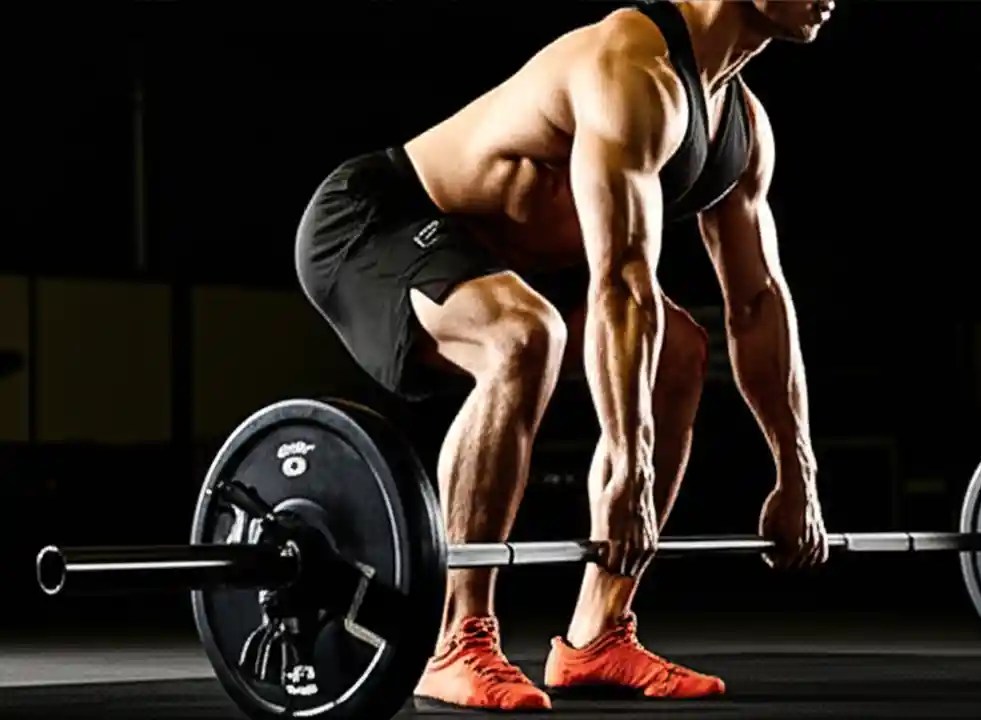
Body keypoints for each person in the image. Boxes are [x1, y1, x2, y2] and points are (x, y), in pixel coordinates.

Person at [295, 0, 836, 711]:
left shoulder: (741, 127)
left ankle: (598, 635)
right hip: (382, 220)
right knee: (524, 335)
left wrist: (796, 470)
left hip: (511, 259)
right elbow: (622, 282)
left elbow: (758, 302)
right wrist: (627, 467)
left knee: (679, 353)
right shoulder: (633, 69)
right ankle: (459, 638)